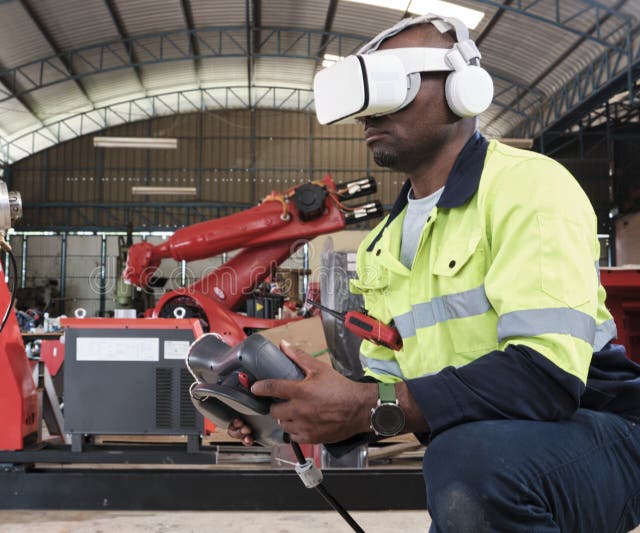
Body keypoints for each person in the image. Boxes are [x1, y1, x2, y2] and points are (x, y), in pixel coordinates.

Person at [228, 14, 640, 532]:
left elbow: (546, 380)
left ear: (465, 90)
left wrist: (365, 405)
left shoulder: (528, 187)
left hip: (598, 432)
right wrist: (300, 407)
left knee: (470, 466)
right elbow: (388, 392)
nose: (370, 114)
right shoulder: (384, 242)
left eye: (394, 88)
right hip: (487, 453)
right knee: (466, 466)